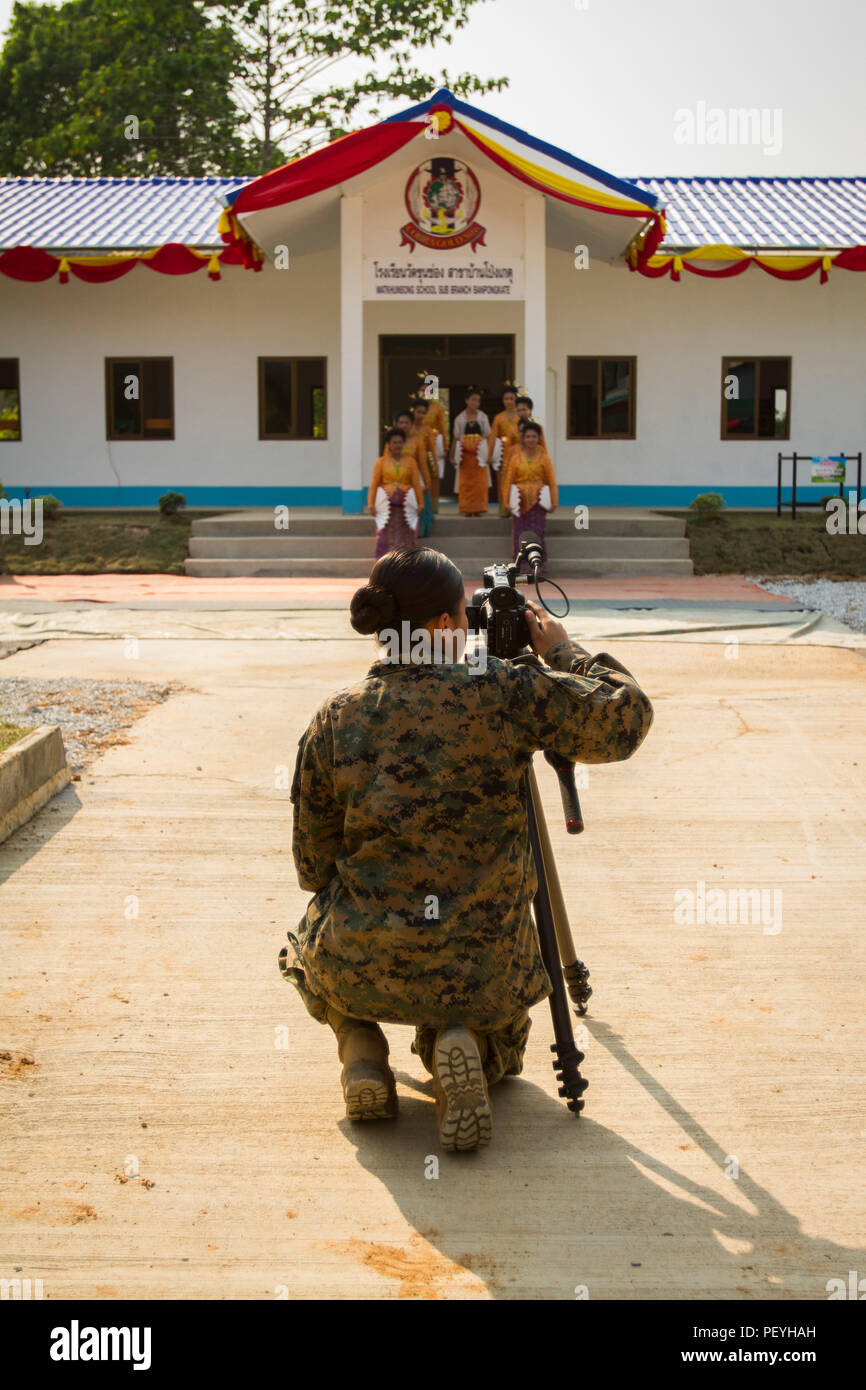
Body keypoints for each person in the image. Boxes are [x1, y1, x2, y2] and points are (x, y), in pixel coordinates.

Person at [279, 547, 653, 1151]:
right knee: (502, 1023)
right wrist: (560, 650)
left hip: (366, 955)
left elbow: (312, 865)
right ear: (449, 627)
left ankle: (362, 1052)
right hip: (481, 964)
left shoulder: (336, 717)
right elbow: (624, 719)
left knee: (302, 950)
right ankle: (464, 1049)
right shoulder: (504, 692)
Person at [503, 419, 558, 563]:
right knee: (519, 535)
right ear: (523, 438)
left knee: (537, 533)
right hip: (519, 501)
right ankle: (520, 566)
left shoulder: (545, 458)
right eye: (528, 436)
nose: (531, 439)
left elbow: (551, 481)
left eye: (534, 436)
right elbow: (508, 480)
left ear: (539, 438)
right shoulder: (515, 458)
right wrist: (506, 502)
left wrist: (554, 502)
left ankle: (537, 565)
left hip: (538, 502)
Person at [365, 428, 424, 559]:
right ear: (388, 444)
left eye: (400, 442)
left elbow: (416, 483)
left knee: (406, 537)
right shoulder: (380, 462)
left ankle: (406, 566)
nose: (397, 445)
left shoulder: (411, 462)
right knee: (385, 536)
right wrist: (371, 504)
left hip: (406, 507)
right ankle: (384, 566)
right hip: (387, 507)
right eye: (394, 442)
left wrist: (420, 503)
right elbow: (374, 483)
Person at [395, 409, 433, 539]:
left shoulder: (418, 441)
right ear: (397, 424)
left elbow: (423, 463)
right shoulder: (392, 441)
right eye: (401, 422)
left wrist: (427, 482)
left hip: (415, 479)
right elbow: (386, 460)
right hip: (396, 478)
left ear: (411, 424)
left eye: (407, 422)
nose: (404, 425)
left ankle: (418, 532)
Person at [450, 387, 491, 499]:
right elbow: (456, 438)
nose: (476, 403)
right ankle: (466, 507)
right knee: (465, 481)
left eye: (478, 400)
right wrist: (452, 456)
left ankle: (479, 507)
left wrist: (489, 454)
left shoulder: (483, 417)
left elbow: (488, 436)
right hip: (464, 454)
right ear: (467, 400)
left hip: (480, 454)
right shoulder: (459, 418)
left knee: (479, 481)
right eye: (473, 399)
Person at [489, 385, 521, 517]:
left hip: (518, 453)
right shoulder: (498, 418)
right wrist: (490, 453)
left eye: (511, 398)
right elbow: (492, 437)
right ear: (502, 400)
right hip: (502, 453)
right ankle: (503, 509)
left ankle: (516, 508)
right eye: (506, 398)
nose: (509, 401)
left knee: (517, 480)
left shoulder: (521, 416)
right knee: (502, 481)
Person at [454, 420, 490, 516]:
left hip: (466, 468)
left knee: (466, 488)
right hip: (478, 467)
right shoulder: (481, 441)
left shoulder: (462, 441)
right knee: (478, 488)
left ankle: (467, 509)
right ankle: (478, 509)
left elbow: (457, 456)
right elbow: (485, 455)